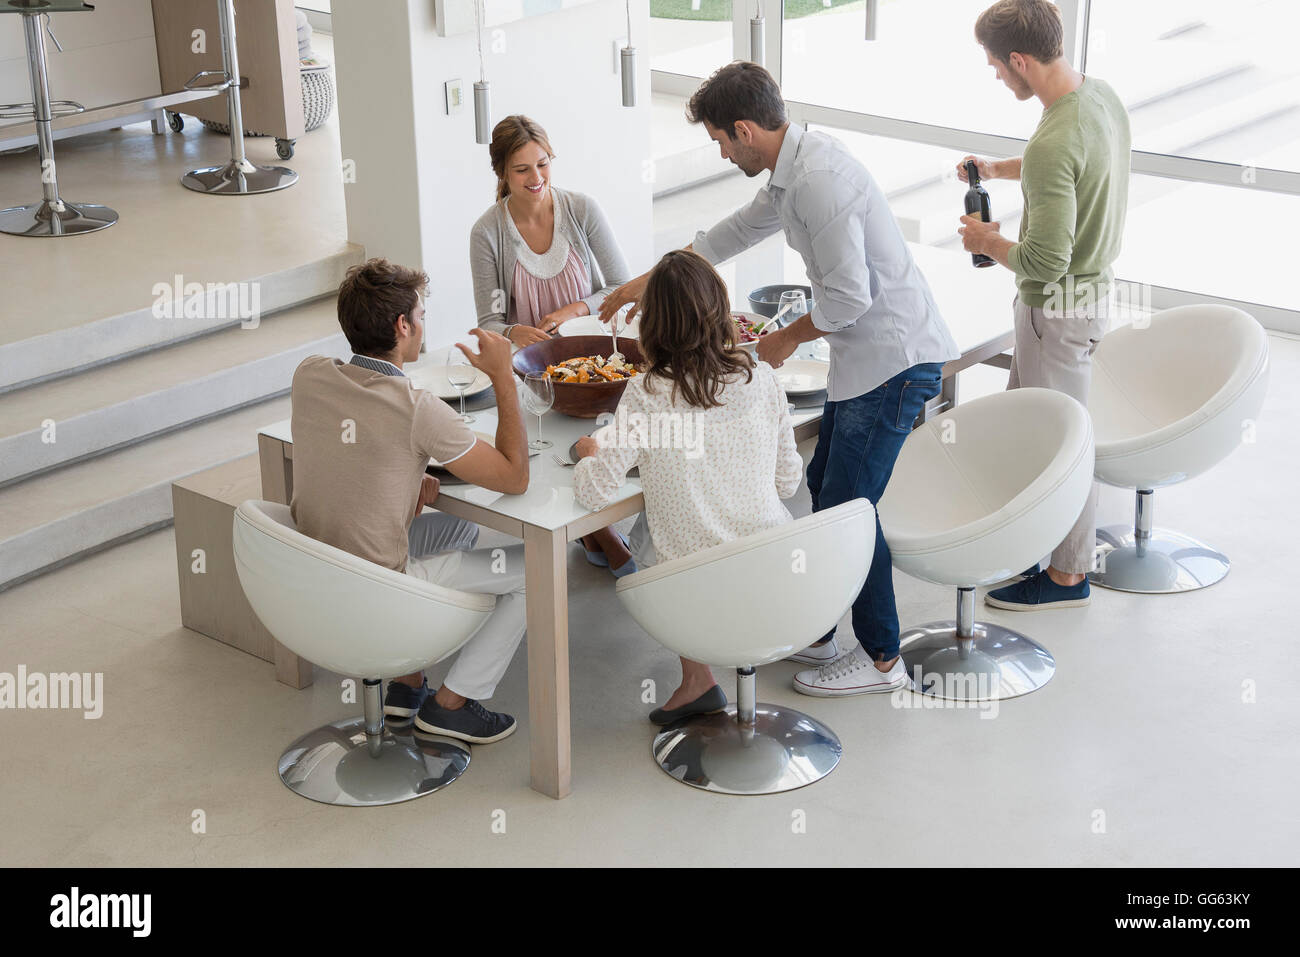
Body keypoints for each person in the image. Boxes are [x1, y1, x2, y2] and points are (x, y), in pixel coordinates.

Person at [600, 62, 959, 699]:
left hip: (894, 360)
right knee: (823, 486)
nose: (719, 151)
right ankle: (820, 629)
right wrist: (650, 279)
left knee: (850, 512)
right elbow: (736, 232)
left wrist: (780, 342)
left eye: (719, 139)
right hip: (866, 360)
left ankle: (882, 661)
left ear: (744, 129)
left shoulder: (818, 179)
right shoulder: (792, 170)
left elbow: (850, 297)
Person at [290, 258, 531, 744]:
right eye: (421, 315)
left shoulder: (309, 375)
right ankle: (454, 704)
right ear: (403, 326)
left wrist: (403, 475)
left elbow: (348, 454)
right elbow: (514, 476)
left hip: (310, 577)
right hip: (379, 592)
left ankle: (406, 682)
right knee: (536, 572)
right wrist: (504, 376)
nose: (424, 324)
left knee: (459, 530)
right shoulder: (418, 409)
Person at [573, 249, 804, 723]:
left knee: (668, 545)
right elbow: (787, 482)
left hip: (693, 599)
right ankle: (697, 684)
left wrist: (590, 453)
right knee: (706, 528)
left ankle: (698, 674)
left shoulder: (646, 392)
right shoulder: (762, 377)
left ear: (653, 325)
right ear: (721, 313)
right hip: (780, 577)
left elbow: (595, 493)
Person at [957, 0, 1130, 611]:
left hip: (1053, 312)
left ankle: (1067, 576)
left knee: (1062, 443)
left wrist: (987, 241)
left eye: (998, 67)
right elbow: (1072, 167)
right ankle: (1033, 544)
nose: (997, 76)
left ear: (1021, 60)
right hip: (1086, 301)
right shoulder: (1096, 98)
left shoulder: (1055, 138)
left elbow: (1042, 261)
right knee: (1033, 431)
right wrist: (1000, 169)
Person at [470, 114, 635, 573]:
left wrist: (576, 310)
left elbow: (623, 285)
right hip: (538, 373)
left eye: (543, 164)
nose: (536, 178)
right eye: (522, 170)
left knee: (599, 442)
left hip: (601, 364)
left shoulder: (581, 210)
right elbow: (489, 321)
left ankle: (601, 530)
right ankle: (599, 533)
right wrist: (512, 332)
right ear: (502, 173)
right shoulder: (487, 233)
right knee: (552, 452)